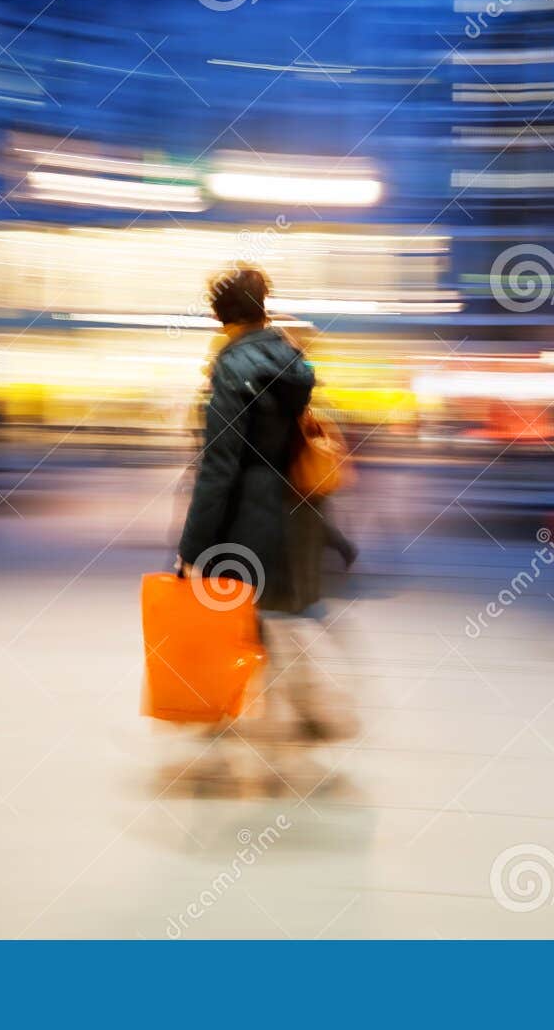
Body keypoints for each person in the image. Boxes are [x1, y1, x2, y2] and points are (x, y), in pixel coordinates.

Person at [177, 265, 349, 750]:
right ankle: (307, 706)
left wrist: (192, 546)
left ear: (220, 316)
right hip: (294, 510)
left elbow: (220, 464)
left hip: (244, 517)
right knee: (276, 614)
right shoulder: (289, 358)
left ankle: (226, 709)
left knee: (241, 613)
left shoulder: (232, 368)